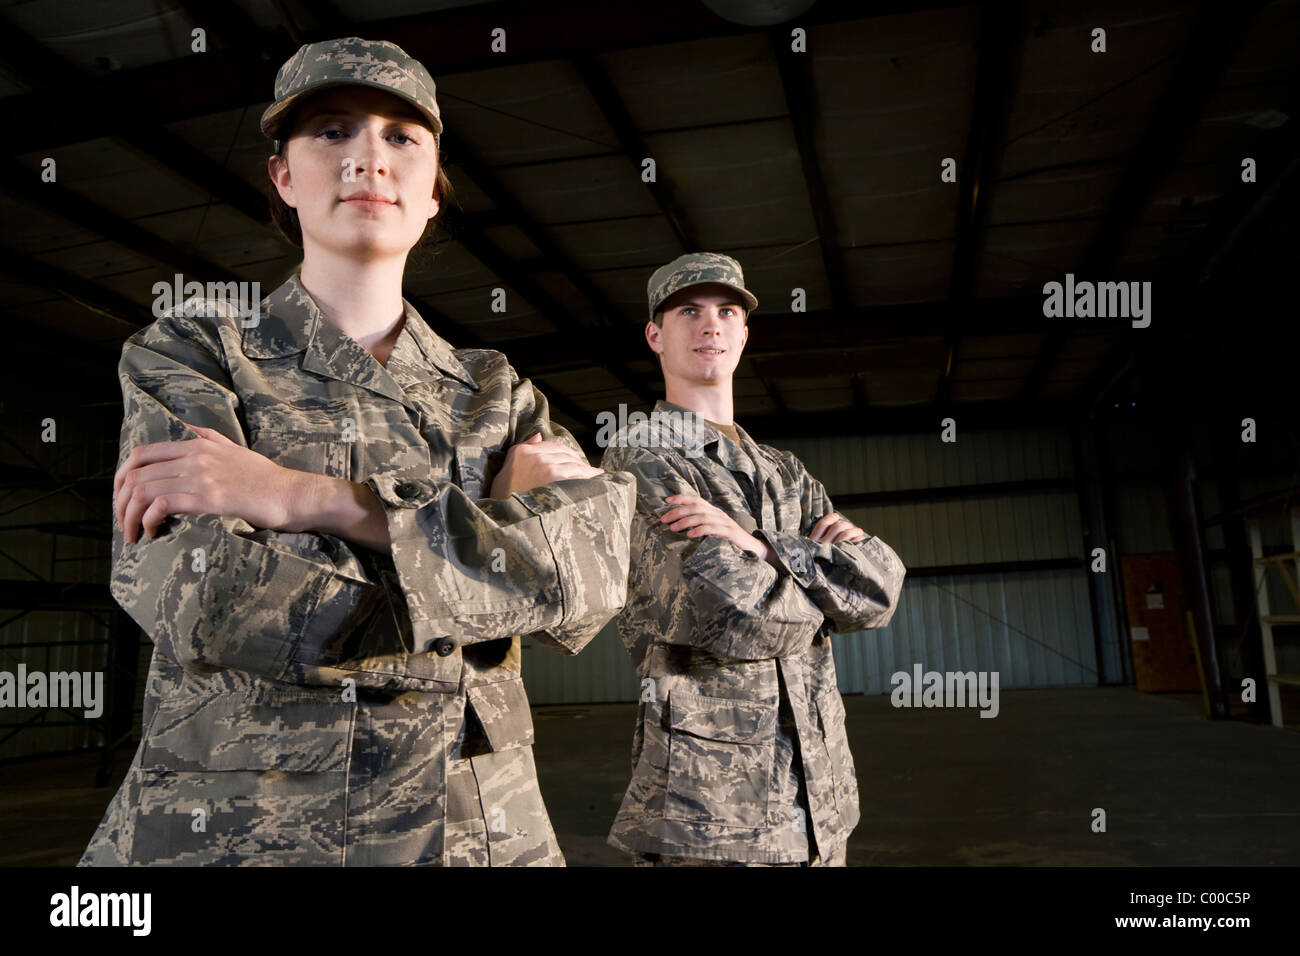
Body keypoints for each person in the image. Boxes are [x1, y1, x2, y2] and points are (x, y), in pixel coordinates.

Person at [79, 37, 635, 866]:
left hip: (475, 828)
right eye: (333, 132)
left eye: (402, 137)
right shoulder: (191, 352)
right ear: (284, 178)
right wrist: (483, 566)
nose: (369, 157)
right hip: (244, 827)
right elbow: (201, 594)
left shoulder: (495, 389)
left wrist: (304, 499)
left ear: (434, 191)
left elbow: (589, 582)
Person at [601, 252, 907, 866]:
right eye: (688, 311)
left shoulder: (784, 470)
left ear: (744, 333)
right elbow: (734, 615)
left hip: (820, 799)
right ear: (655, 335)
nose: (709, 325)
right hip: (712, 810)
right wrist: (825, 583)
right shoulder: (642, 459)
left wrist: (764, 548)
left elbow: (881, 588)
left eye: (727, 311)